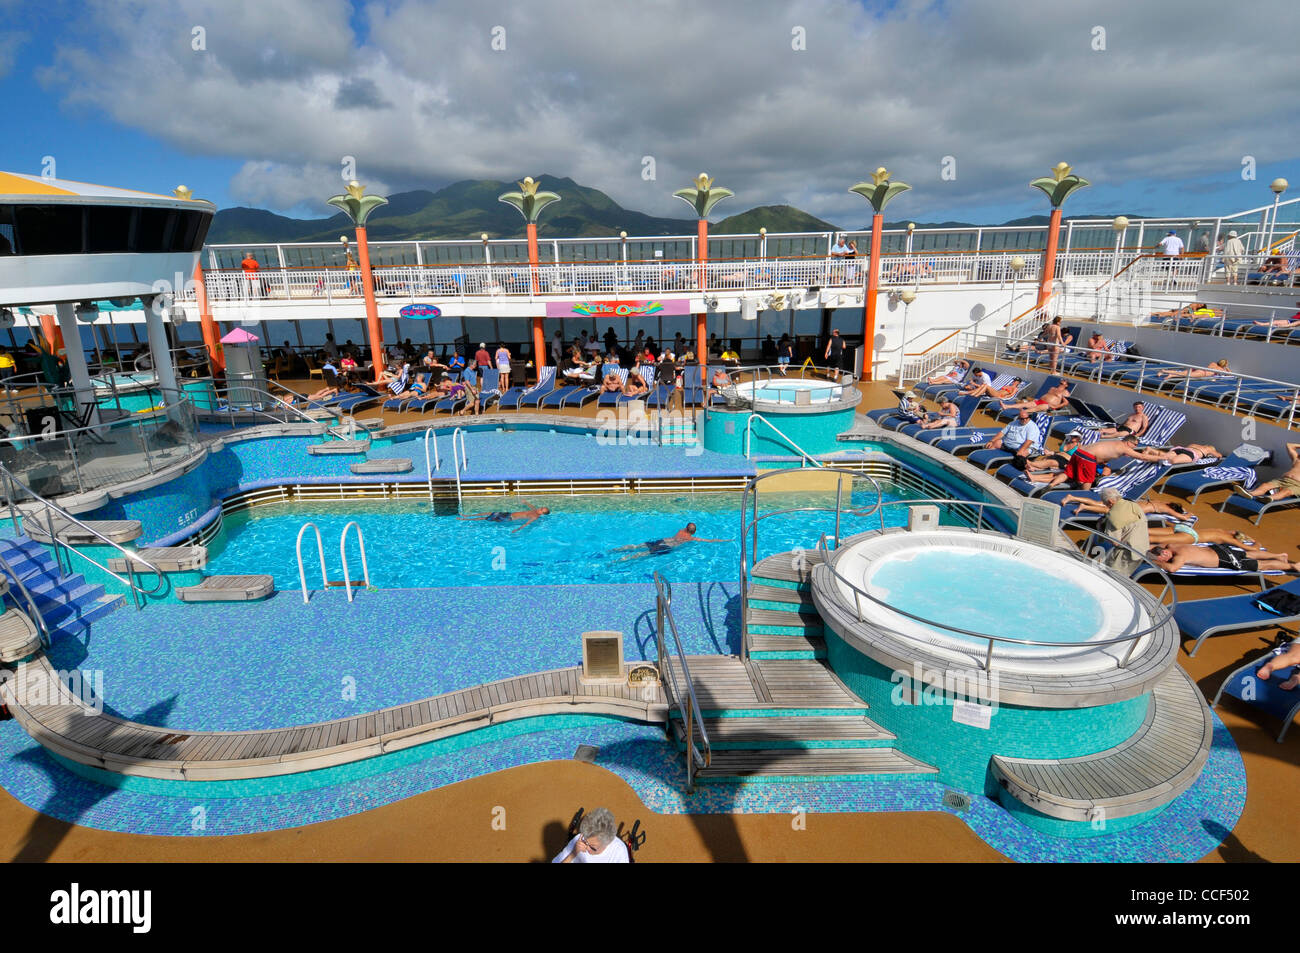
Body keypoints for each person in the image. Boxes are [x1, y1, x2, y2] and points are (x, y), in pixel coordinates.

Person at [1149, 543, 1299, 575]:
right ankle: (1280, 556)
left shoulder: (1181, 557)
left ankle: (1293, 567)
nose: (1164, 559)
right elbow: (1153, 545)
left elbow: (1172, 569)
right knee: (1248, 554)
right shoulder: (1171, 545)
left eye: (1162, 557)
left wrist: (1152, 561)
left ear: (1163, 554)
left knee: (1261, 565)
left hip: (1224, 559)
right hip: (1219, 549)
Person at [611, 523, 729, 561]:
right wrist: (725, 540)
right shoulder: (691, 538)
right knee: (643, 554)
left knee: (637, 546)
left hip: (662, 540)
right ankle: (620, 560)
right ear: (693, 532)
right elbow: (709, 541)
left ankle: (616, 550)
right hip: (666, 546)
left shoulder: (680, 530)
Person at [552, 807, 629, 864]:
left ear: (607, 842)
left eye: (593, 847)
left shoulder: (619, 850)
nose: (585, 848)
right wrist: (573, 853)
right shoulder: (579, 840)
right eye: (585, 842)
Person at [1233, 442, 1300, 501]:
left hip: (1297, 485)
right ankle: (1250, 494)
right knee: (1265, 485)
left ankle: (1268, 498)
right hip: (1282, 480)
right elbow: (1289, 445)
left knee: (1286, 491)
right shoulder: (1296, 459)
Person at [458, 500, 550, 533]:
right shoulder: (535, 510)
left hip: (508, 518)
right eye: (541, 508)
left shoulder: (535, 516)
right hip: (509, 514)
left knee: (487, 518)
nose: (539, 509)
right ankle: (467, 515)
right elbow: (531, 507)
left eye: (542, 510)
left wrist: (517, 529)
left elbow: (527, 524)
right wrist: (526, 502)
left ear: (542, 513)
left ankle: (465, 519)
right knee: (489, 512)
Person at [1155, 358, 1230, 380]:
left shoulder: (1213, 363)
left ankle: (1170, 375)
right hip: (1203, 373)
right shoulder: (1221, 369)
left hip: (1199, 369)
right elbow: (1229, 374)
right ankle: (1164, 371)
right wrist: (1226, 368)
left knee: (1182, 373)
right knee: (1182, 374)